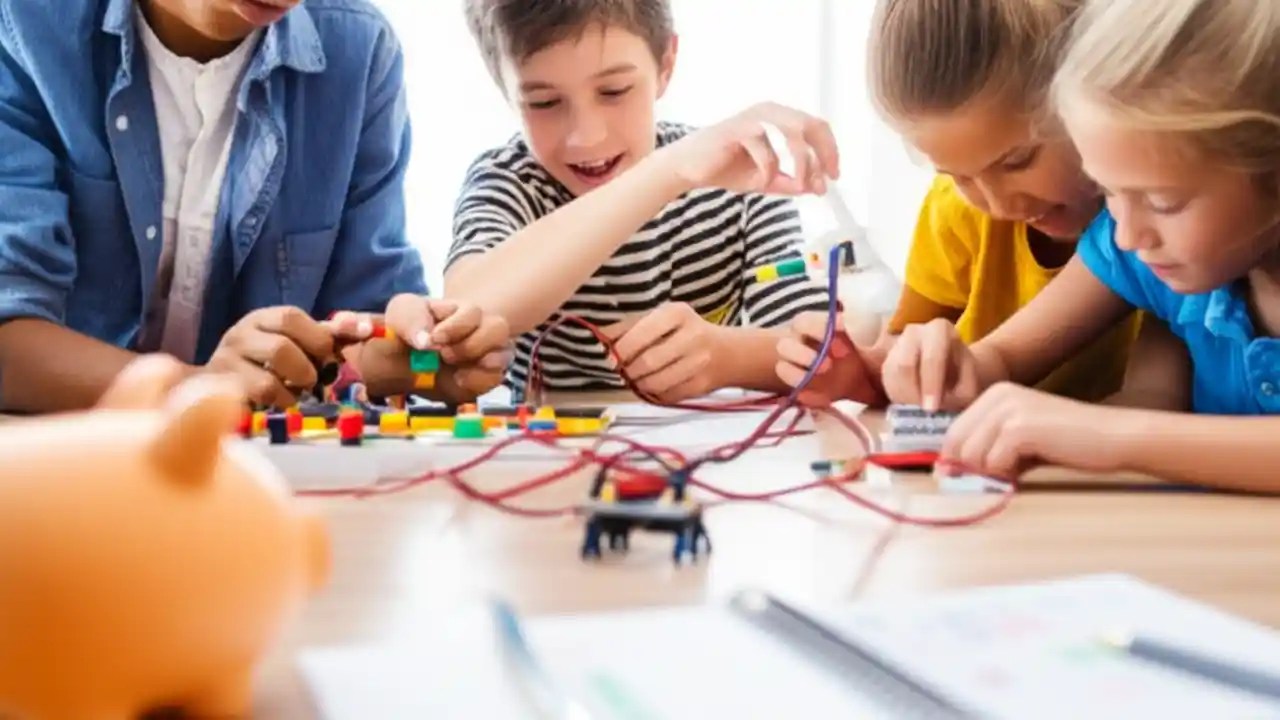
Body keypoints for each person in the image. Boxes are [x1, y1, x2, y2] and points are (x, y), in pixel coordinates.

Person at [0, 0, 509, 413]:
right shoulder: (25, 26)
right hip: (56, 476)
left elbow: (356, 335)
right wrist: (195, 388)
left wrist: (426, 357)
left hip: (256, 486)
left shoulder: (357, 50)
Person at [881, 0, 1280, 491]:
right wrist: (946, 365)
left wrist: (1111, 435)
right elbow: (1002, 359)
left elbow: (1135, 424)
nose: (1128, 235)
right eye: (1108, 190)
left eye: (1162, 200)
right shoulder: (1152, 259)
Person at [774, 0, 1182, 410]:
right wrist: (866, 370)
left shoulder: (1163, 236)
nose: (997, 204)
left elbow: (1158, 407)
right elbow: (911, 363)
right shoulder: (956, 212)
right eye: (957, 176)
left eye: (1017, 162)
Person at [446, 0, 835, 402]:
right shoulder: (511, 182)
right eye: (544, 103)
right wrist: (665, 175)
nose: (587, 137)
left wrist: (727, 357)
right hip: (545, 455)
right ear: (504, 89)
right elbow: (466, 310)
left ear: (666, 63)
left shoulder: (736, 179)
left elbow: (823, 348)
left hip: (706, 454)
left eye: (614, 91)